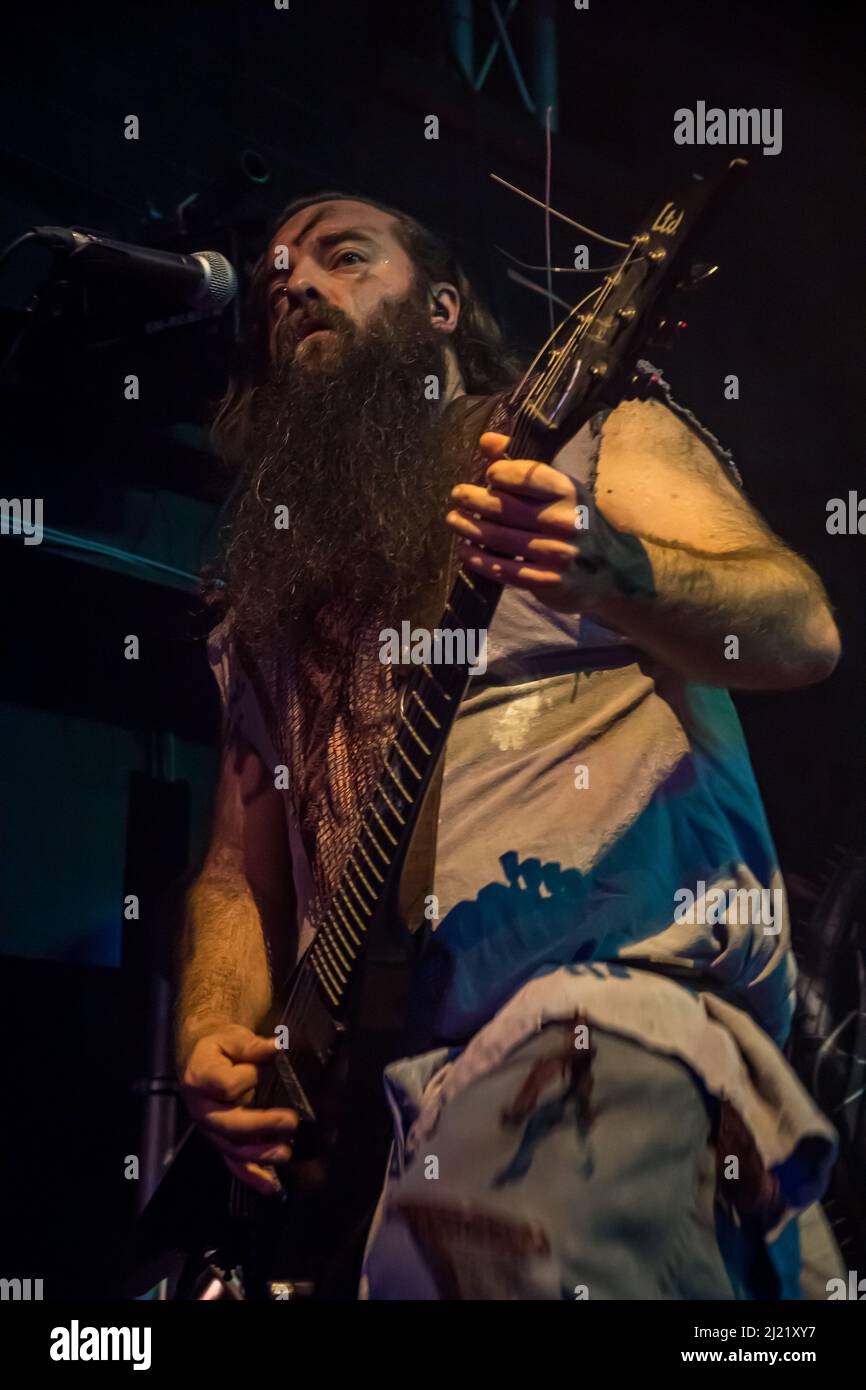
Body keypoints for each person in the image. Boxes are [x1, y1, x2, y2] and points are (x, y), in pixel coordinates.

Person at [175, 191, 842, 1300]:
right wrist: (211, 1032)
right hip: (384, 1125)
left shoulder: (583, 441)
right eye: (277, 280)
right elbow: (235, 877)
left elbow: (799, 631)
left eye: (343, 257)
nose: (296, 287)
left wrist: (609, 570)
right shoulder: (268, 603)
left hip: (592, 1036)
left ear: (441, 308)